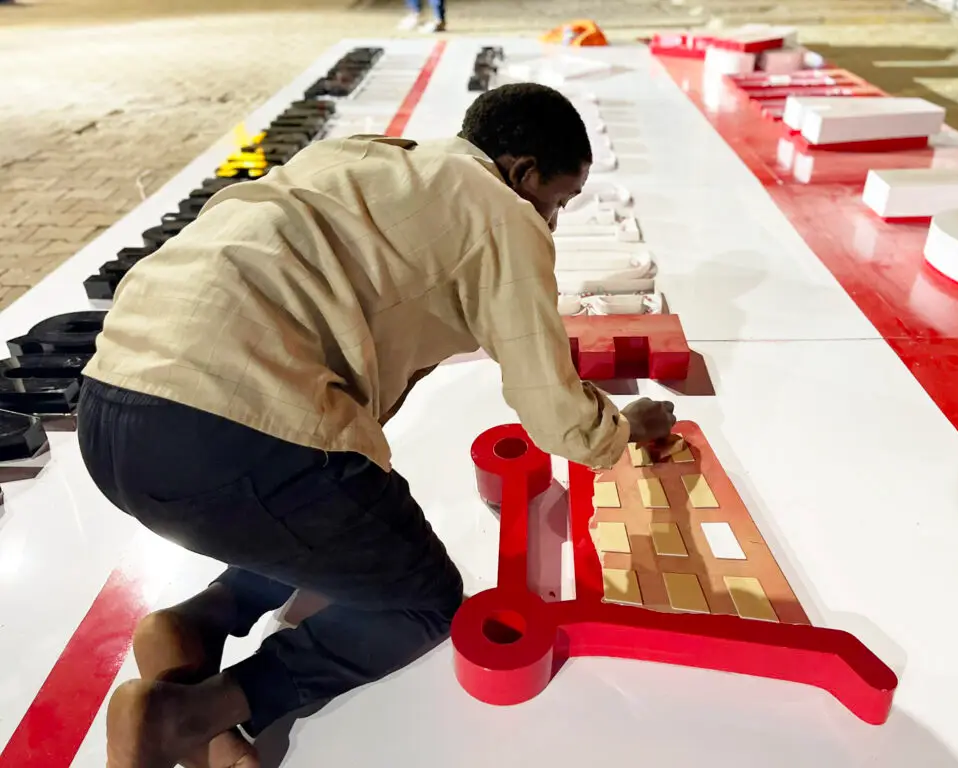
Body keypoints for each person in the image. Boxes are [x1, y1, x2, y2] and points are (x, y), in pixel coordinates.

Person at [78, 82, 677, 768]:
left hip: (110, 408)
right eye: (556, 203)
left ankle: (194, 625)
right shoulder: (505, 214)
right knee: (419, 598)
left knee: (337, 525)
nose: (552, 222)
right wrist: (623, 430)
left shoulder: (361, 158)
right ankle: (191, 711)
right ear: (522, 174)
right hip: (223, 433)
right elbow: (554, 412)